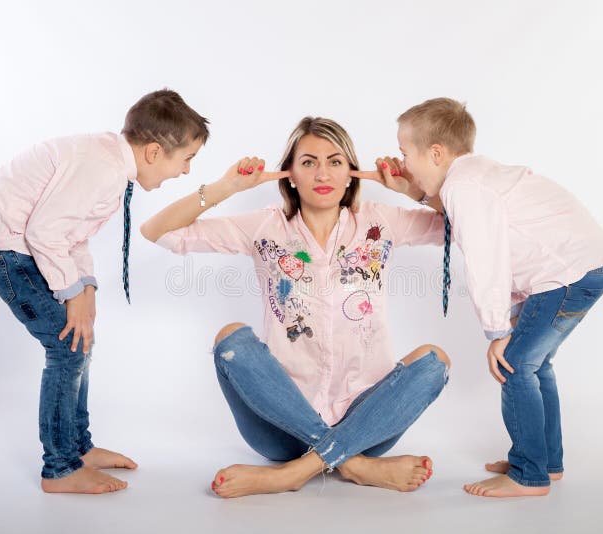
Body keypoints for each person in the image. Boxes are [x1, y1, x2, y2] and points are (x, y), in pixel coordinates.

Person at [142, 117, 450, 498]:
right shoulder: (264, 227)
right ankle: (352, 466)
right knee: (231, 339)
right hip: (280, 428)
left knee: (434, 361)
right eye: (308, 162)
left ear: (351, 173)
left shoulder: (380, 222)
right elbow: (158, 231)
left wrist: (415, 191)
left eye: (335, 161)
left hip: (367, 426)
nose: (322, 173)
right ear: (289, 174)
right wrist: (226, 187)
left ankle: (295, 473)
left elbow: (457, 225)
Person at [0, 89, 209, 494]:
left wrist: (86, 287)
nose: (184, 172)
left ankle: (78, 447)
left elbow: (72, 232)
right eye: (186, 159)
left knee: (80, 338)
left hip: (24, 243)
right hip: (3, 247)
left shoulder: (108, 162)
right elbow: (45, 231)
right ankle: (59, 468)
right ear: (153, 152)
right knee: (67, 346)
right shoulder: (101, 169)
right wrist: (69, 292)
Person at [392, 97, 603, 497]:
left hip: (568, 273)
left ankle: (527, 474)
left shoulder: (464, 186)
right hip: (580, 267)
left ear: (435, 152)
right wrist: (411, 192)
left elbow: (486, 258)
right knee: (535, 364)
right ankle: (545, 462)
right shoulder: (472, 177)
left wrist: (498, 329)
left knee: (514, 364)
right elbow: (495, 236)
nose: (404, 164)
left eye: (404, 153)